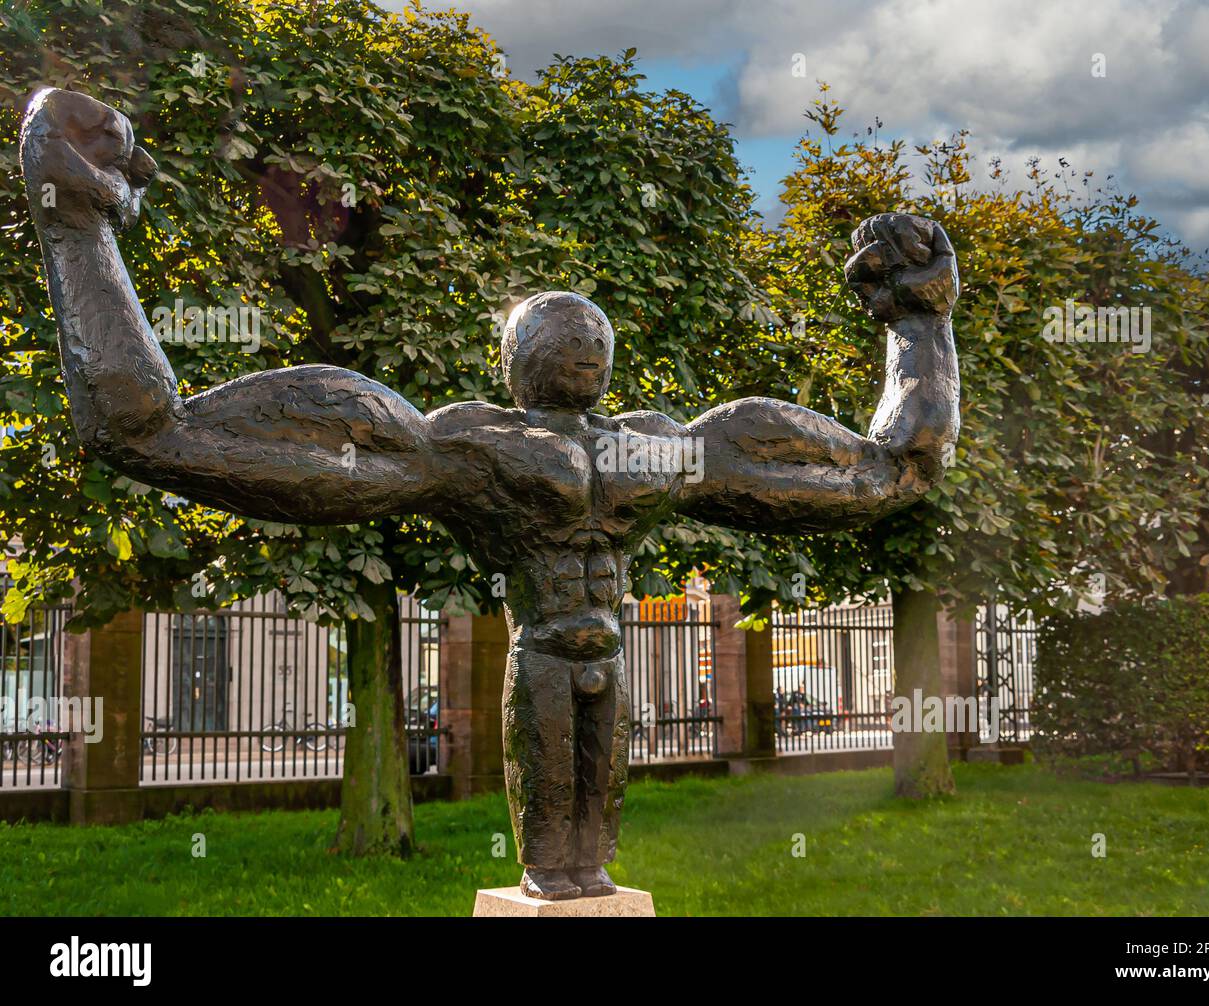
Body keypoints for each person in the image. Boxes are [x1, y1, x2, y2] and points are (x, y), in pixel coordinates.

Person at [20, 87, 960, 900]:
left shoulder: (655, 447)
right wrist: (76, 219)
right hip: (548, 649)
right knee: (558, 875)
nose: (578, 345)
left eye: (589, 333)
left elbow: (893, 471)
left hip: (600, 657)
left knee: (594, 875)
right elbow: (148, 432)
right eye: (560, 334)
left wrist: (922, 322)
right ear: (515, 365)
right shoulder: (473, 447)